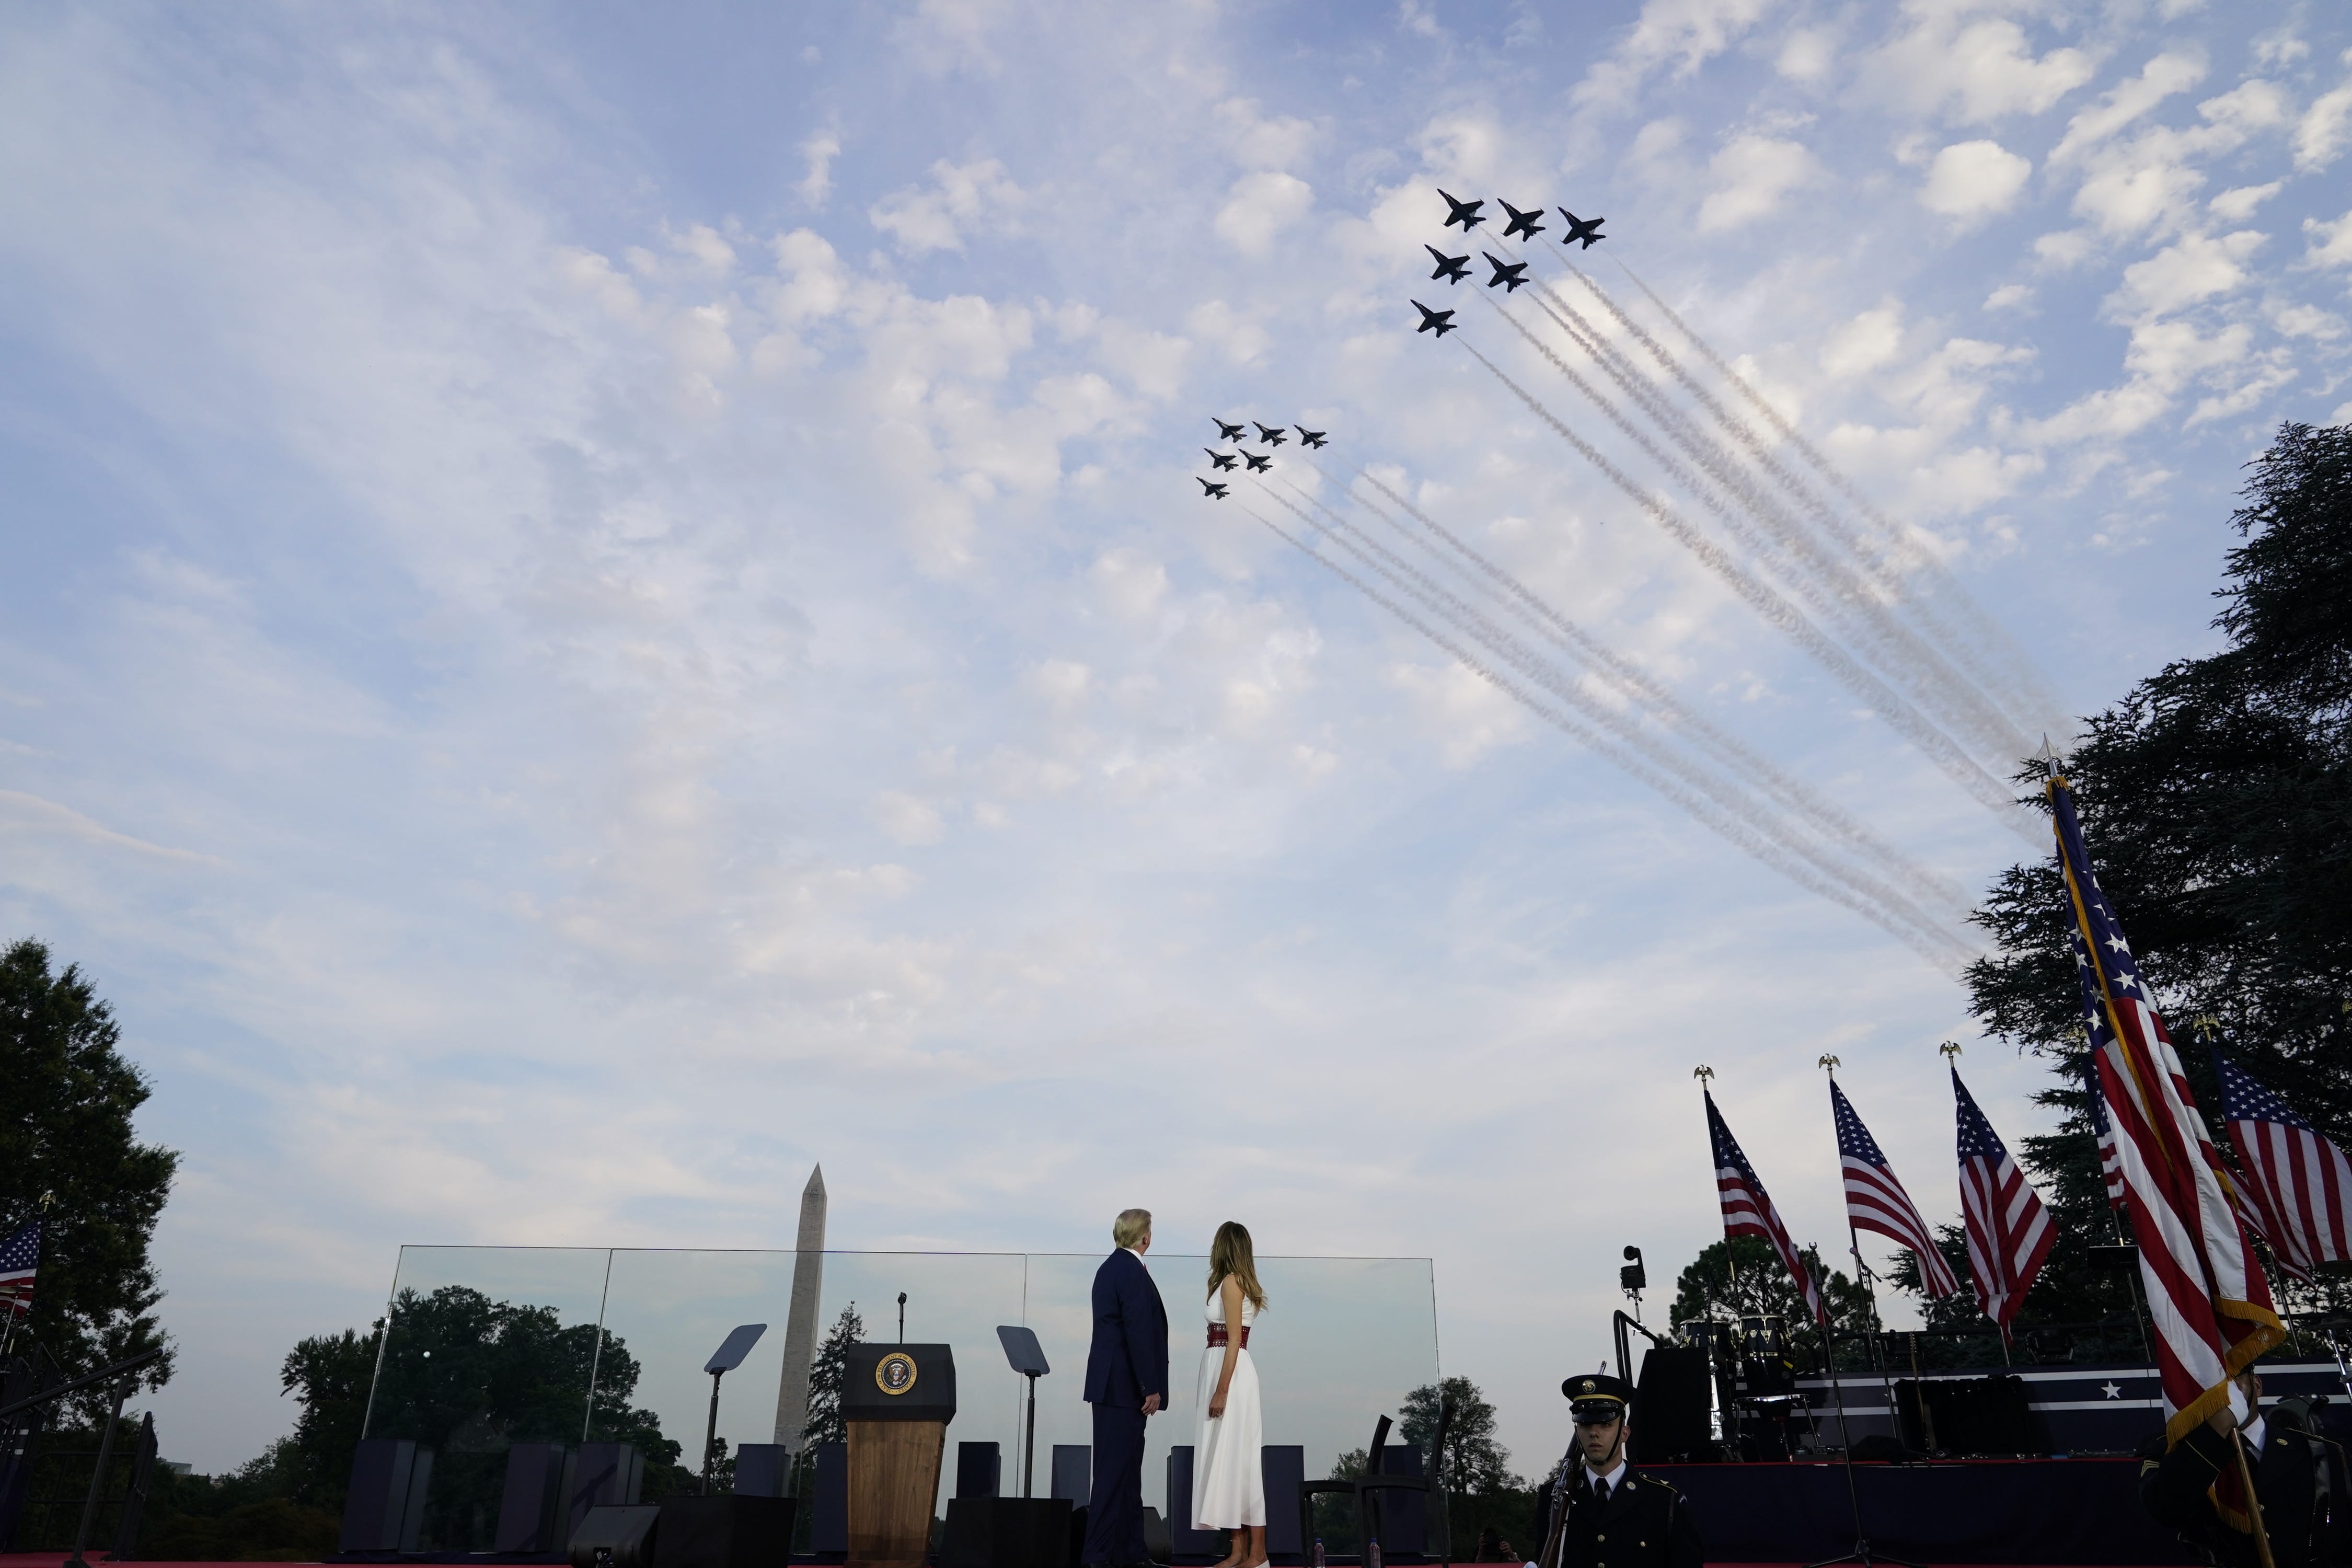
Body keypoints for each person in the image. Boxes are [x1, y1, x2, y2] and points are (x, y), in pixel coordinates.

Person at [2140, 1365, 2321, 1568]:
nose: (2221, 1391)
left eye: (2232, 1377)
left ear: (2257, 1385)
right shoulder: (2170, 1450)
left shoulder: (2315, 1450)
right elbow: (2165, 1510)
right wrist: (2216, 1430)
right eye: (2209, 1383)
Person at [1530, 1374, 1703, 1568]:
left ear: (1624, 1433)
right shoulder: (1554, 1496)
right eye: (1585, 1424)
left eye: (1606, 1424)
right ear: (1577, 1431)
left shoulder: (1664, 1500)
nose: (1594, 1433)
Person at [1083, 1207, 1170, 1568]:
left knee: (1126, 1474)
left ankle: (1132, 1553)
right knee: (1112, 1475)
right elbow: (1137, 1331)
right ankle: (1097, 1556)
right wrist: (1149, 1386)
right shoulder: (1131, 1271)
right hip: (1124, 1390)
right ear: (1145, 1236)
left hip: (1112, 1388)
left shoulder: (1108, 1268)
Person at [1194, 1220, 1268, 1568]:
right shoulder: (1231, 1282)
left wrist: (1222, 1390)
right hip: (1225, 1369)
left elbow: (1235, 1339)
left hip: (1232, 1377)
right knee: (1229, 1459)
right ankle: (1238, 1551)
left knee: (1242, 1462)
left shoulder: (1231, 1283)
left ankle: (1258, 1554)